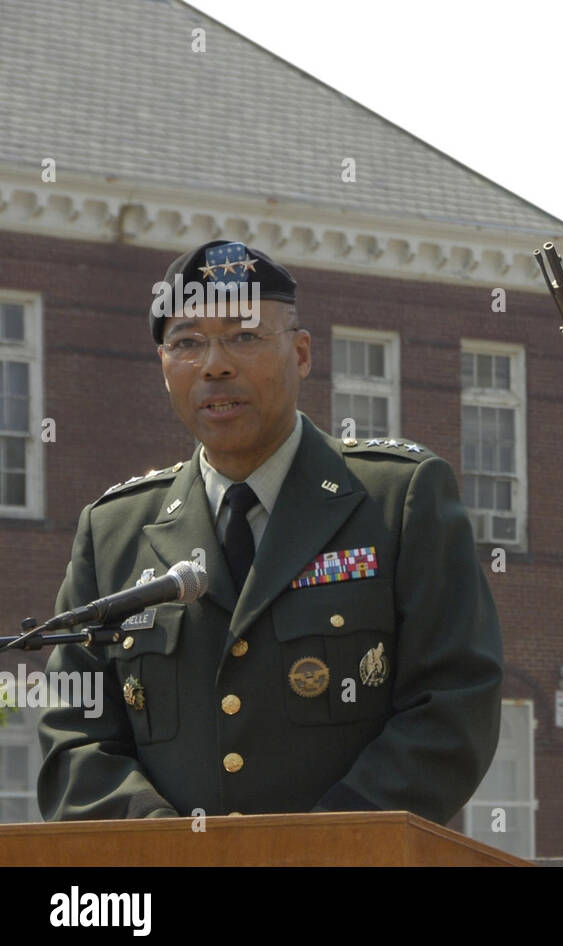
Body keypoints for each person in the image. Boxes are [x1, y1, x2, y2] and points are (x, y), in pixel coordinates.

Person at [38, 240, 504, 823]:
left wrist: (314, 850)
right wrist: (169, 850)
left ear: (302, 353)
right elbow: (74, 734)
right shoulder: (112, 533)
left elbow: (456, 702)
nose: (214, 364)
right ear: (164, 367)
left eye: (244, 336)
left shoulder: (399, 500)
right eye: (186, 342)